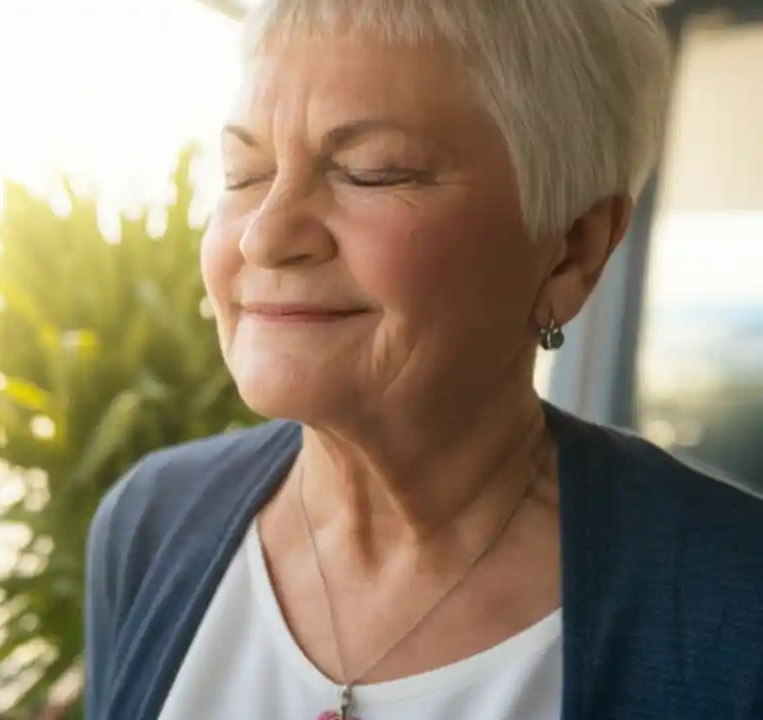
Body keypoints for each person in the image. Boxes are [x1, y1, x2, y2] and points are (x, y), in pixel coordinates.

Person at [83, 1, 763, 718]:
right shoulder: (153, 523)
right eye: (245, 172)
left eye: (372, 173)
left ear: (572, 249)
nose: (265, 236)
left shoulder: (735, 615)